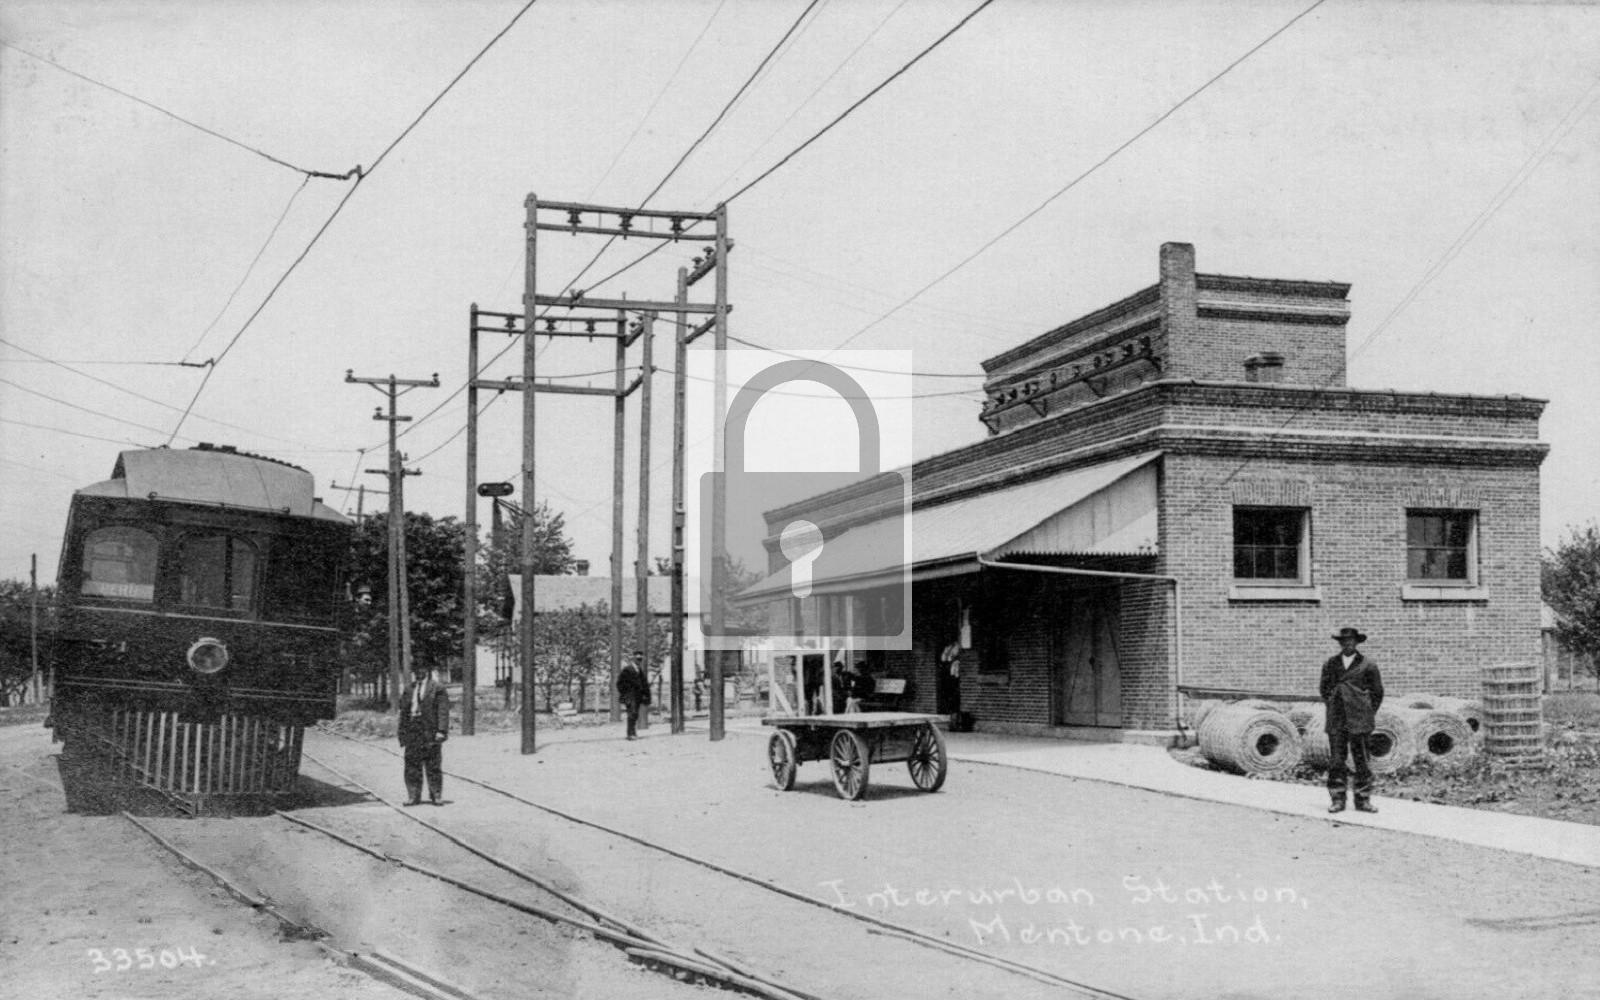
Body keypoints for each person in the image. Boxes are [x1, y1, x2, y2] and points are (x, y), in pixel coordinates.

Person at [1319, 627, 1385, 814]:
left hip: (1360, 719)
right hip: (1337, 719)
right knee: (1337, 761)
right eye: (1343, 641)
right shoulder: (1331, 664)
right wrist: (1334, 704)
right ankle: (1338, 799)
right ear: (1340, 643)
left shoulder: (1367, 664)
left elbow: (1377, 692)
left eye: (1350, 641)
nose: (1347, 644)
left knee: (1362, 761)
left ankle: (1363, 800)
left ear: (1356, 643)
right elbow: (1324, 689)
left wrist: (1366, 711)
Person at [398, 663, 450, 806]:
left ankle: (436, 795)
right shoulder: (409, 688)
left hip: (430, 730)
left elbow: (443, 711)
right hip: (413, 729)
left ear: (427, 671)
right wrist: (402, 733)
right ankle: (413, 795)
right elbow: (403, 712)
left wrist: (441, 731)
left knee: (433, 764)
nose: (419, 672)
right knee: (412, 765)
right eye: (416, 670)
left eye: (422, 669)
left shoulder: (437, 688)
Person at [618, 650, 651, 740]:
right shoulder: (627, 669)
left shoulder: (639, 670)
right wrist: (626, 693)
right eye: (637, 659)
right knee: (632, 713)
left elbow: (644, 684)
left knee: (634, 714)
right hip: (630, 696)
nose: (639, 660)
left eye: (640, 659)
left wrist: (646, 696)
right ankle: (630, 734)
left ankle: (633, 732)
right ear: (633, 658)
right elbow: (620, 683)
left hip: (637, 697)